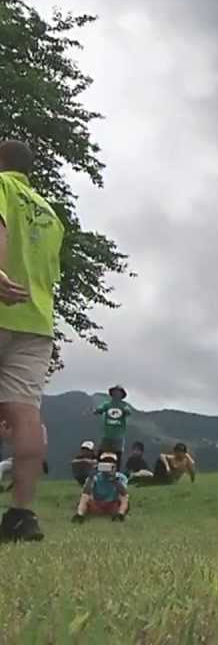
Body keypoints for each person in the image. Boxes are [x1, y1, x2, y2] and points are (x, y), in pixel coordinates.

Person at [0, 141, 65, 543]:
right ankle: (22, 516)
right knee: (26, 415)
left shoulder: (1, 185)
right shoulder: (51, 214)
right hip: (37, 322)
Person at [72, 451, 129, 524]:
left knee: (124, 498)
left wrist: (113, 479)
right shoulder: (95, 477)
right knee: (85, 497)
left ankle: (120, 515)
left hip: (113, 505)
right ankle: (80, 515)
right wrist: (91, 477)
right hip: (97, 504)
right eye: (105, 462)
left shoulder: (121, 477)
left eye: (111, 462)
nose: (107, 465)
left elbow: (124, 493)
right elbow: (86, 492)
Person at [91, 385, 135, 459]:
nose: (116, 394)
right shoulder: (107, 404)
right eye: (115, 392)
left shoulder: (124, 405)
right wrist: (95, 411)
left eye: (118, 392)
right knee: (101, 453)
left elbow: (128, 411)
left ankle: (116, 469)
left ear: (121, 395)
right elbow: (99, 409)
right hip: (107, 434)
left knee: (118, 454)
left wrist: (126, 411)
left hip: (118, 435)